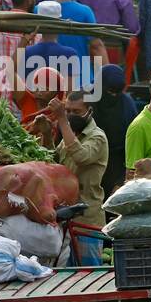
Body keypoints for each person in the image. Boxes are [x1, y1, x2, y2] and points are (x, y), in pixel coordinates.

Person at [49, 85, 109, 265]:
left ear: (89, 111)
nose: (70, 115)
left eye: (76, 111)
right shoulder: (70, 134)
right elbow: (54, 162)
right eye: (67, 111)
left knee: (89, 274)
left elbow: (81, 156)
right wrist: (46, 134)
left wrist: (62, 120)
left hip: (87, 219)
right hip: (66, 216)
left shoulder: (97, 137)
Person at [91, 63, 136, 200]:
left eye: (117, 92)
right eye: (110, 91)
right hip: (89, 164)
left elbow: (132, 146)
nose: (113, 96)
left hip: (116, 165)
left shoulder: (127, 107)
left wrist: (121, 180)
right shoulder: (85, 102)